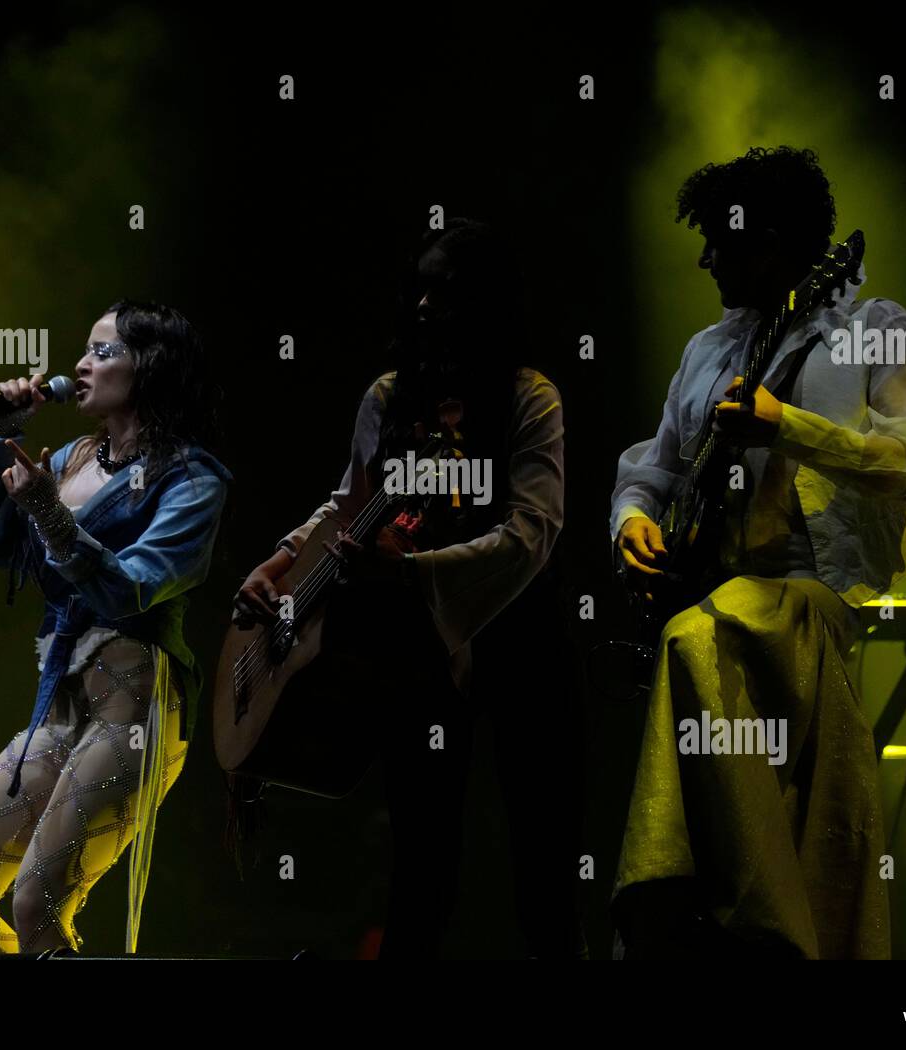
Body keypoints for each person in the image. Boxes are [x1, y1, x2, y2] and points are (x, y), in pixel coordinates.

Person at [610, 146, 906, 959]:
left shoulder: (880, 331)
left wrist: (790, 427)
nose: (703, 260)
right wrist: (631, 522)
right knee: (704, 630)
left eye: (721, 244)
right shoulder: (708, 350)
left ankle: (749, 921)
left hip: (809, 596)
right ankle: (715, 915)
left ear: (772, 243)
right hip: (719, 593)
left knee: (697, 636)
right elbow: (651, 470)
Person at [233, 219, 587, 959]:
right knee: (420, 860)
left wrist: (408, 572)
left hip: (522, 642)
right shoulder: (387, 397)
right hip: (416, 654)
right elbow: (347, 502)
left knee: (543, 861)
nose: (425, 307)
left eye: (447, 292)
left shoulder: (530, 398)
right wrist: (283, 556)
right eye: (419, 289)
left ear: (486, 305)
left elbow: (533, 533)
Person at [0, 300, 230, 954]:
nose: (82, 365)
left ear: (150, 367)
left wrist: (51, 516)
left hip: (134, 703)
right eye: (85, 350)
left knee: (37, 901)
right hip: (58, 709)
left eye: (103, 352)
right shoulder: (69, 461)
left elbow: (130, 588)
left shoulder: (191, 479)